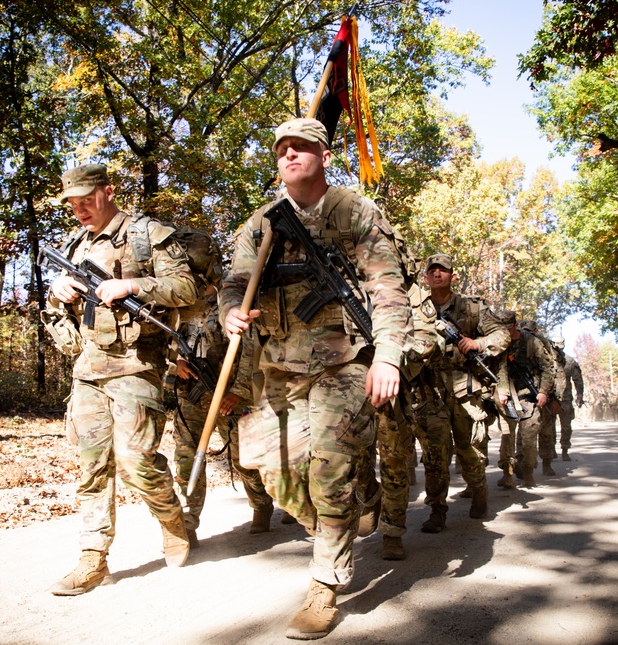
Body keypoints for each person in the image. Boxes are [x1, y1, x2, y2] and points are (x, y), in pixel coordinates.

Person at [220, 117, 410, 640]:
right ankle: (353, 506)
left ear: (325, 155)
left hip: (344, 363)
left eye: (301, 147)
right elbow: (233, 284)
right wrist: (230, 313)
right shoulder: (261, 223)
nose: (289, 155)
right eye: (281, 148)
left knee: (328, 474)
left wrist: (388, 356)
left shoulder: (354, 211)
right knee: (266, 465)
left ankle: (324, 583)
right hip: (279, 365)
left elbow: (388, 289)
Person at [42, 163, 197, 596]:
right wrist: (58, 290)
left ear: (108, 192)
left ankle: (171, 519)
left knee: (136, 462)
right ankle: (93, 560)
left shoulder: (149, 234)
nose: (79, 210)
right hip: (88, 368)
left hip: (137, 365)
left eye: (86, 200)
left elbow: (186, 287)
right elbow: (58, 309)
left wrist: (131, 285)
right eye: (71, 203)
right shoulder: (74, 245)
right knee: (92, 466)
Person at [411, 253, 509, 534]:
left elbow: (501, 336)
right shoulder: (417, 310)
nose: (437, 274)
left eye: (443, 270)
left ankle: (479, 490)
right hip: (430, 393)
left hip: (466, 391)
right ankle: (437, 511)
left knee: (470, 451)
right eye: (432, 271)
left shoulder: (472, 308)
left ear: (453, 276)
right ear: (426, 277)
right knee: (434, 455)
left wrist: (477, 343)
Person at [172, 292, 274, 542]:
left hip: (229, 394)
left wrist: (239, 391)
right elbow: (159, 341)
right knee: (186, 456)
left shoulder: (228, 299)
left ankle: (261, 503)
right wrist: (173, 362)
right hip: (192, 396)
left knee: (244, 459)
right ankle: (187, 522)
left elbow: (251, 348)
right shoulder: (173, 299)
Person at [496, 315, 556, 488]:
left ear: (515, 325)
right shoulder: (500, 342)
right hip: (506, 395)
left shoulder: (531, 342)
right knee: (507, 436)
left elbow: (547, 368)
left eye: (509, 327)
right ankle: (507, 475)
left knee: (529, 437)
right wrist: (502, 390)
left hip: (528, 396)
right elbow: (498, 368)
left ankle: (528, 472)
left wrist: (543, 392)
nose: (505, 331)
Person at [550, 336, 584, 462]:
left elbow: (578, 380)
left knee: (566, 426)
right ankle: (551, 449)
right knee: (549, 426)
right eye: (557, 344)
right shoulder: (547, 359)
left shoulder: (570, 361)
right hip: (551, 398)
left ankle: (565, 449)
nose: (559, 346)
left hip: (566, 398)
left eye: (561, 344)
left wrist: (579, 394)